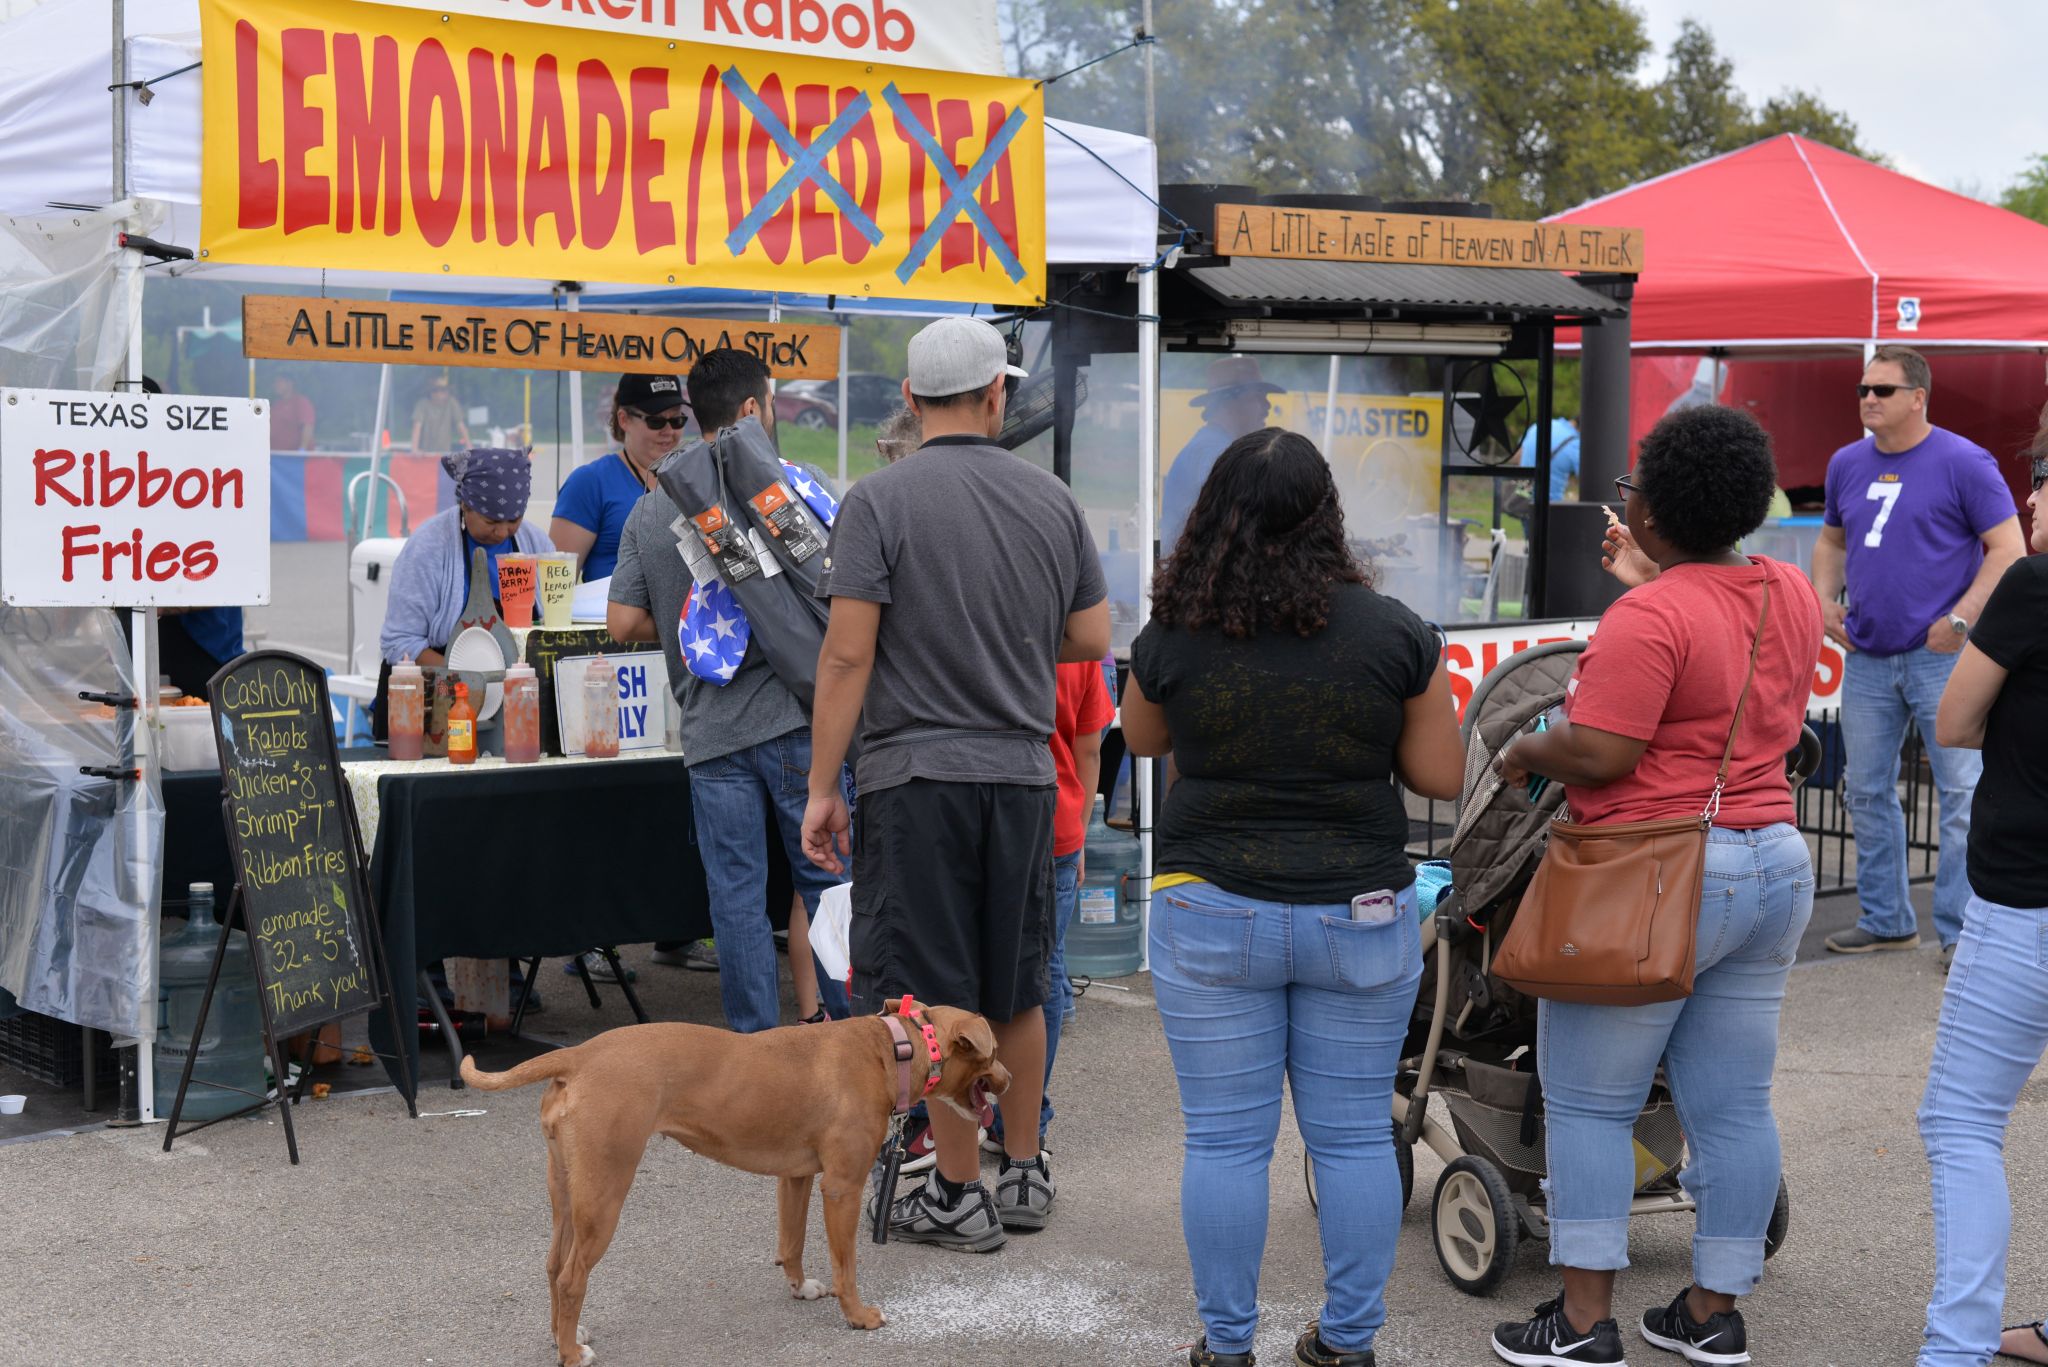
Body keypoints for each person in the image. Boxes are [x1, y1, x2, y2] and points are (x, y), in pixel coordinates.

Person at [1488, 405, 1823, 1367]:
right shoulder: (1786, 591)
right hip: (1769, 861)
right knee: (1735, 1105)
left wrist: (1521, 750)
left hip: (1655, 871)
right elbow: (1717, 652)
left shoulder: (1649, 615)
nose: (1623, 503)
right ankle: (1710, 1311)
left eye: (1633, 491)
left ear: (1661, 510)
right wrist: (1652, 576)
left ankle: (1584, 1321)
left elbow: (1601, 749)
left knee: (1591, 1105)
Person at [1121, 429, 1464, 1367]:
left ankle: (1227, 1346)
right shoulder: (1393, 630)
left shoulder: (1173, 631)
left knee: (1226, 1144)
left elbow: (1144, 741)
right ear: (1327, 515)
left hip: (1208, 905)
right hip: (1359, 911)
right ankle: (1347, 1343)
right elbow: (1439, 773)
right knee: (1354, 1136)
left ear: (1215, 513)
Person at [800, 315, 1109, 1251]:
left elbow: (848, 655)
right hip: (1020, 777)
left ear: (908, 398)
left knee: (931, 995)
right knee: (1016, 985)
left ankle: (957, 1193)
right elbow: (1092, 640)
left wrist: (822, 786)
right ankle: (1023, 1172)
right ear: (997, 395)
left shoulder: (877, 500)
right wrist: (1011, 643)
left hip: (914, 777)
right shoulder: (1051, 499)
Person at [610, 348, 847, 1030]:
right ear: (752, 410)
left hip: (712, 737)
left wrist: (688, 611)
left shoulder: (654, 508)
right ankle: (860, 1046)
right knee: (829, 886)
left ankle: (755, 1056)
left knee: (737, 902)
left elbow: (623, 619)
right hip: (803, 724)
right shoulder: (797, 485)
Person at [1816, 346, 2023, 964]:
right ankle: (1886, 919)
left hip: (1942, 657)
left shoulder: (1963, 460)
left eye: (1881, 390)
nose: (1868, 400)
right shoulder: (1846, 463)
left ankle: (1962, 931)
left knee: (1962, 793)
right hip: (1870, 657)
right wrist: (1822, 599)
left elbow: (2008, 548)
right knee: (1866, 789)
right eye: (1862, 390)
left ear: (1918, 397)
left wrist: (1960, 619)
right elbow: (1831, 540)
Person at [1915, 446, 2048, 1367]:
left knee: (1960, 1116)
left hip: (2027, 894)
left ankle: (1955, 1346)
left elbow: (1954, 721)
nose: (2034, 494)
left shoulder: (2035, 586)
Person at [380, 448, 553, 672]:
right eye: (491, 521)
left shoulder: (537, 545)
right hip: (437, 688)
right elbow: (400, 641)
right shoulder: (427, 547)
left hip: (517, 683)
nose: (502, 532)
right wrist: (467, 682)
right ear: (465, 504)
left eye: (513, 519)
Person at [552, 374, 690, 582]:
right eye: (656, 421)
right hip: (611, 613)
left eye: (677, 420)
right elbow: (555, 585)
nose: (669, 431)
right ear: (624, 419)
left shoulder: (692, 480)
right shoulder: (589, 483)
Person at [1159, 356, 1283, 554]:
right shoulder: (1215, 453)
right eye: (1258, 396)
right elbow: (1234, 529)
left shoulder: (1215, 446)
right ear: (1231, 401)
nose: (1267, 406)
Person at [1517, 415, 1582, 502]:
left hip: (1523, 497)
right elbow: (1589, 482)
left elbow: (1519, 453)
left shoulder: (1542, 425)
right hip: (1550, 505)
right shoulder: (1576, 444)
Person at [409, 376, 471, 455]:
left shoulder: (451, 403)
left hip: (444, 454)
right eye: (435, 390)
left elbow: (460, 425)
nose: (440, 393)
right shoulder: (422, 404)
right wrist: (414, 449)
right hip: (425, 455)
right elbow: (417, 426)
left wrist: (469, 446)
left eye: (444, 390)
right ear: (430, 392)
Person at [268, 375, 316, 453]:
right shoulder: (276, 405)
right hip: (276, 457)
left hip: (294, 458)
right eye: (275, 382)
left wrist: (302, 449)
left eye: (279, 382)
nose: (275, 385)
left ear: (290, 383)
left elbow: (308, 426)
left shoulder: (301, 402)